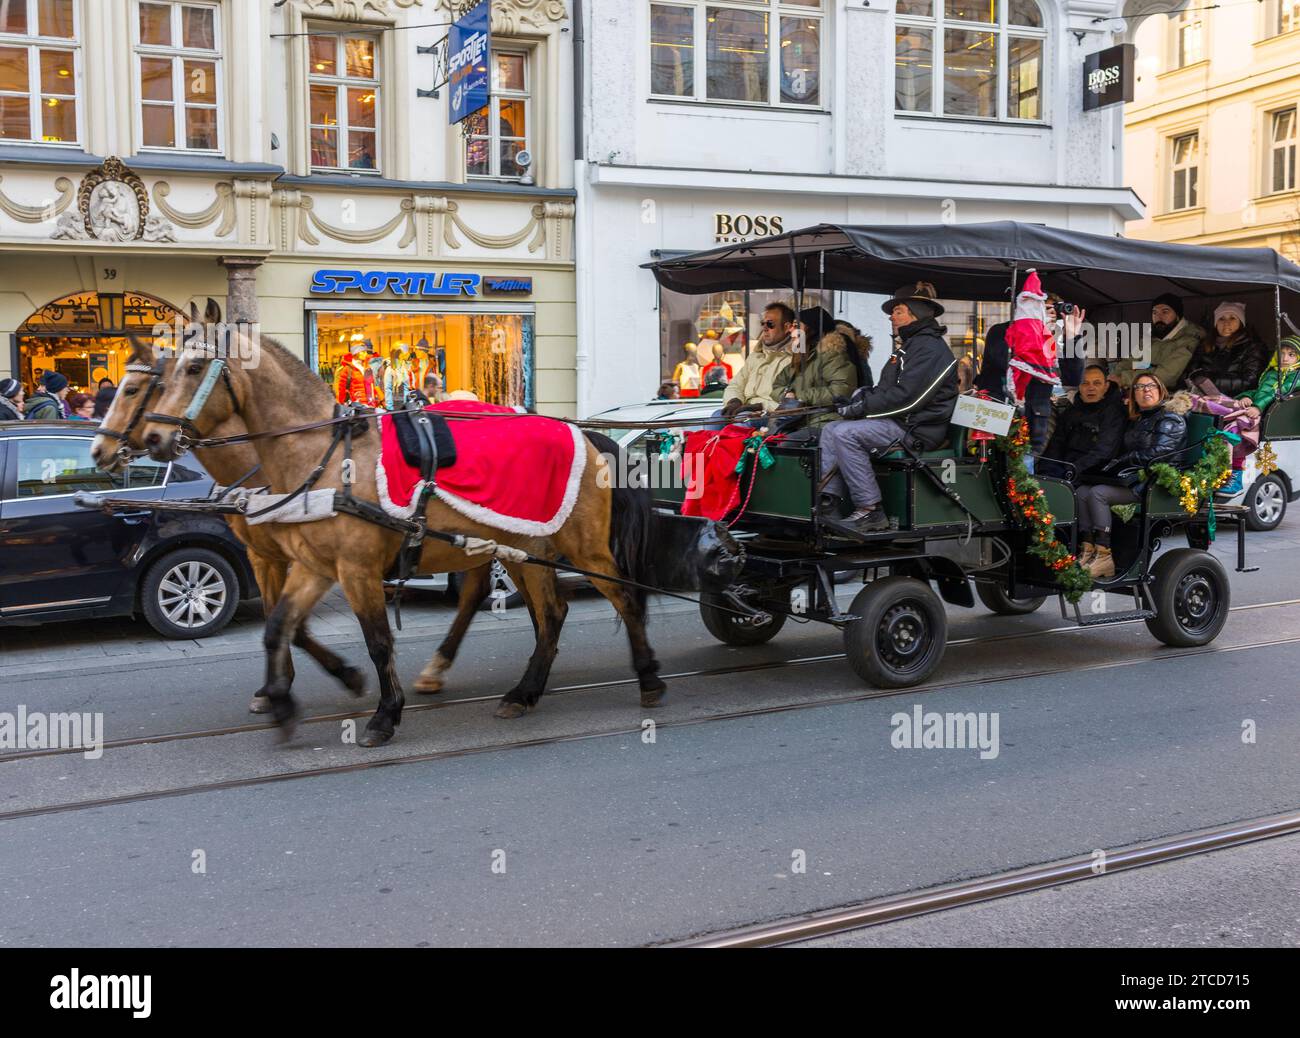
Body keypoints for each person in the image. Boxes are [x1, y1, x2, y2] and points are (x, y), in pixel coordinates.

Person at [818, 282, 959, 537]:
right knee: (830, 429)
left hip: (917, 429)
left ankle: (870, 509)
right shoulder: (908, 346)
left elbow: (908, 400)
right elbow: (885, 390)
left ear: (917, 314)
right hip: (900, 422)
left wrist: (862, 410)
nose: (891, 316)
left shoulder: (930, 349)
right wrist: (857, 400)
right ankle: (829, 503)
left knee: (845, 433)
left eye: (899, 311)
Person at [1076, 373, 1187, 580]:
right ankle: (1087, 550)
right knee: (1082, 492)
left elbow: (1158, 454)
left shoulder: (1170, 418)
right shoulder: (1137, 419)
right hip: (1132, 478)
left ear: (1160, 390)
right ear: (1133, 395)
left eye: (1150, 386)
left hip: (1153, 482)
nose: (1146, 391)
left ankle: (1104, 555)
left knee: (1098, 493)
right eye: (1139, 387)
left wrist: (1124, 460)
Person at [772, 306, 859, 432]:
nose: (790, 330)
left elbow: (842, 391)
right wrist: (787, 394)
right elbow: (777, 385)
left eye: (796, 326)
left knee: (781, 445)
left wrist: (800, 396)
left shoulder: (832, 355)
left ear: (811, 330)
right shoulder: (801, 355)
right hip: (797, 421)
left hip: (825, 420)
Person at [1037, 365, 1126, 483]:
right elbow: (1056, 444)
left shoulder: (1114, 413)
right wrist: (1048, 470)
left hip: (1091, 473)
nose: (1091, 388)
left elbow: (1103, 452)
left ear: (1106, 386)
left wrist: (1072, 471)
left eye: (1097, 383)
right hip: (1063, 468)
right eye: (1085, 383)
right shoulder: (1071, 411)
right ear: (1079, 386)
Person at [718, 302, 798, 421]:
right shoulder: (755, 356)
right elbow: (735, 385)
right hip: (743, 409)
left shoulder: (794, 360)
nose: (764, 328)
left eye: (770, 324)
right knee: (716, 417)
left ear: (786, 327)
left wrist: (760, 407)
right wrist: (734, 401)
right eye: (763, 323)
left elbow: (791, 402)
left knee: (742, 421)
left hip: (770, 417)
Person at [1109, 293, 1204, 392]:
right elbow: (1131, 362)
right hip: (1137, 390)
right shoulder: (1150, 338)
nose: (1159, 317)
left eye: (1165, 312)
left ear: (1177, 316)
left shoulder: (1189, 340)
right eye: (1154, 312)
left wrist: (1124, 379)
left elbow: (1166, 376)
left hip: (1170, 396)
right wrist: (1114, 376)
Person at [1185, 301, 1269, 399]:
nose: (1226, 323)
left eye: (1232, 318)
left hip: (1236, 399)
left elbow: (1250, 381)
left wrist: (1212, 380)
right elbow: (1190, 372)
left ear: (1241, 322)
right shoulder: (1205, 344)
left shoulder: (1254, 346)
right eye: (1221, 319)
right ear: (1216, 323)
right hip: (1200, 396)